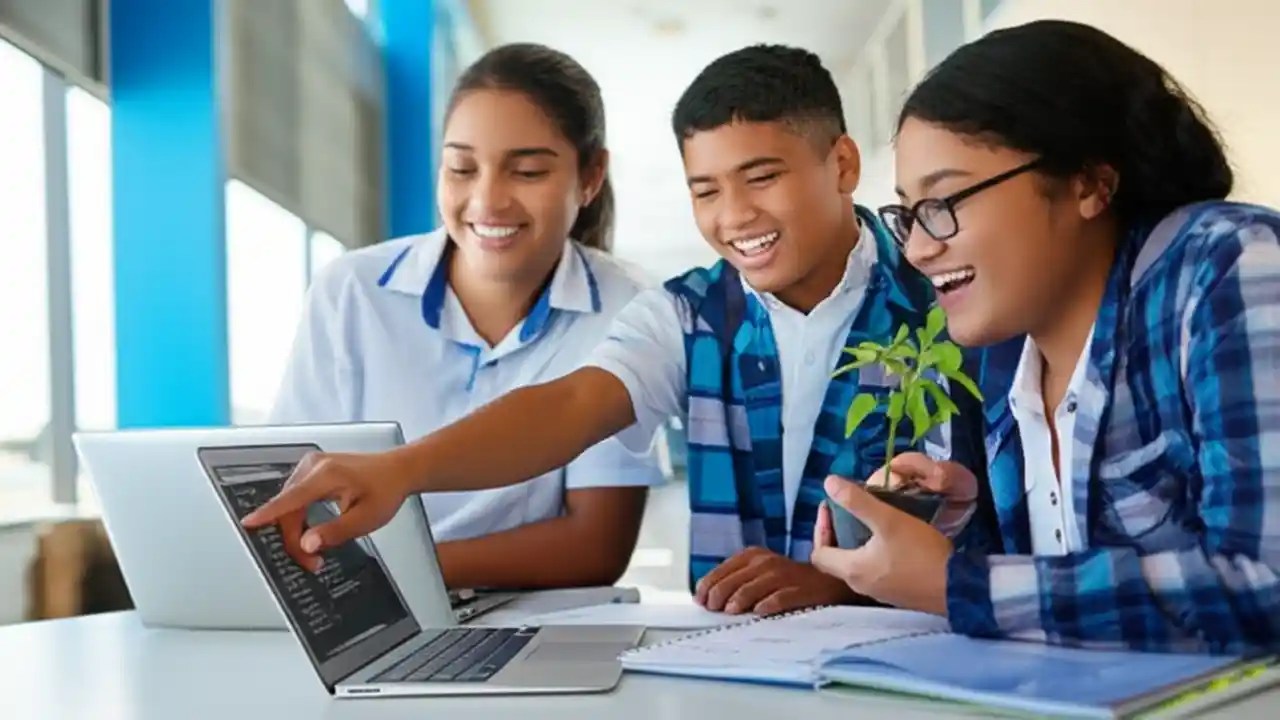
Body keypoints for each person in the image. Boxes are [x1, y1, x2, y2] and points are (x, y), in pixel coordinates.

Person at [247, 44, 995, 616]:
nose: (734, 217)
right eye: (706, 190)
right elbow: (573, 405)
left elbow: (1004, 523)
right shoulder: (686, 312)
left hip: (920, 655)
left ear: (841, 164)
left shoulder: (947, 291)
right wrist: (401, 471)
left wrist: (837, 587)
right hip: (740, 664)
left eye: (761, 178)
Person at [810, 20, 1280, 654]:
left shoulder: (1228, 266)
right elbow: (1063, 604)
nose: (919, 249)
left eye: (944, 201)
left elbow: (1267, 584)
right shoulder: (1003, 356)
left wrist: (959, 585)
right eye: (908, 215)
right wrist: (961, 526)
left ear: (1088, 182)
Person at [268, 42, 664, 590]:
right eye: (462, 167)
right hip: (354, 606)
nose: (487, 200)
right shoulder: (351, 291)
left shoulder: (629, 307)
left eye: (526, 172)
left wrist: (392, 574)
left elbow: (594, 546)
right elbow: (289, 488)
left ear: (591, 176)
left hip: (524, 617)